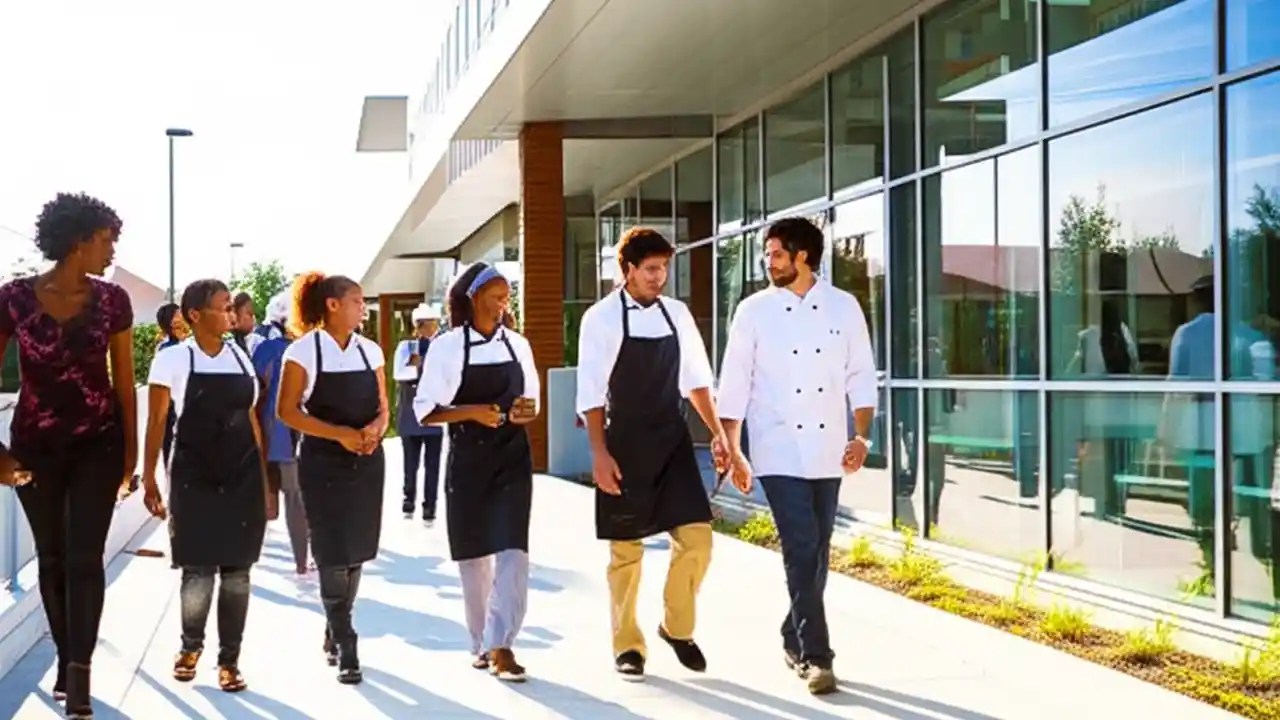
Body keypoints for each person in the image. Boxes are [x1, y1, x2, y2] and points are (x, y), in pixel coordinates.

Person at [717, 216, 877, 696]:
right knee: (801, 547)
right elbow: (734, 382)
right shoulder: (753, 311)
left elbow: (861, 375)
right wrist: (733, 448)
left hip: (829, 449)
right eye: (767, 255)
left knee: (819, 549)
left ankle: (793, 632)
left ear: (803, 256)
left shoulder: (844, 307)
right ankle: (817, 656)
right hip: (777, 447)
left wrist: (862, 436)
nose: (768, 262)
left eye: (776, 254)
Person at [0, 192, 137, 719]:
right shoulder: (13, 299)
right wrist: (0, 456)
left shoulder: (113, 301)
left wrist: (130, 456)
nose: (111, 251)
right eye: (106, 240)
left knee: (84, 558)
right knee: (51, 559)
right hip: (34, 448)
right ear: (78, 241)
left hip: (97, 444)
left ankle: (79, 673)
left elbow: (125, 385)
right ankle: (65, 656)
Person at [576, 227, 730, 682]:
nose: (660, 277)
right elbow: (590, 393)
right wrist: (599, 454)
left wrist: (718, 434)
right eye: (651, 269)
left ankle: (675, 626)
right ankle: (627, 645)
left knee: (698, 540)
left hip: (671, 440)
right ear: (627, 269)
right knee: (625, 553)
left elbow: (698, 380)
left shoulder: (677, 315)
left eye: (664, 268)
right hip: (622, 441)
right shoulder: (601, 319)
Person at [139, 279, 269, 693]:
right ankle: (190, 647)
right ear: (195, 315)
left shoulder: (241, 357)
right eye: (223, 306)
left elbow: (251, 419)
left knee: (238, 573)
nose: (231, 314)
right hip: (193, 475)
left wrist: (264, 479)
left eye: (232, 306)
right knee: (197, 570)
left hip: (242, 474)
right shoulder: (172, 360)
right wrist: (149, 479)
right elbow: (157, 423)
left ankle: (230, 661)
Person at [414, 262, 539, 682]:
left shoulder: (518, 345)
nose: (505, 302)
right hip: (468, 456)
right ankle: (481, 643)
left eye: (507, 295)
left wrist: (524, 411)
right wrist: (471, 412)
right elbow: (425, 411)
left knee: (513, 551)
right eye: (497, 294)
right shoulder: (447, 348)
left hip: (512, 458)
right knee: (474, 556)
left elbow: (531, 401)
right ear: (472, 299)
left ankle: (502, 643)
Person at [276, 272, 387, 684]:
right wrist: (340, 435)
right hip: (322, 462)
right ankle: (347, 641)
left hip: (367, 461)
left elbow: (384, 406)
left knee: (355, 550)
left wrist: (375, 430)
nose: (364, 307)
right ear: (333, 305)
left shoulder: (370, 351)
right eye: (357, 301)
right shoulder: (302, 352)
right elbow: (287, 412)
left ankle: (335, 627)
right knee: (330, 550)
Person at [252, 291, 311, 575]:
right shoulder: (282, 348)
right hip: (286, 433)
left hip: (279, 432)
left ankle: (302, 559)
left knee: (293, 494)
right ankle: (302, 559)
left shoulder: (268, 349)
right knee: (295, 494)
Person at [393, 302, 444, 521]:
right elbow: (399, 374)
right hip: (410, 411)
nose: (433, 328)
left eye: (435, 324)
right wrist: (415, 364)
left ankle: (429, 504)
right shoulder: (406, 347)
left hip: (434, 412)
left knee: (433, 464)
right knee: (410, 461)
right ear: (418, 326)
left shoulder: (442, 348)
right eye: (428, 324)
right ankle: (409, 498)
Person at [155, 302, 186, 468]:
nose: (181, 317)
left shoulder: (189, 344)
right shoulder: (166, 349)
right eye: (177, 314)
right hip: (171, 409)